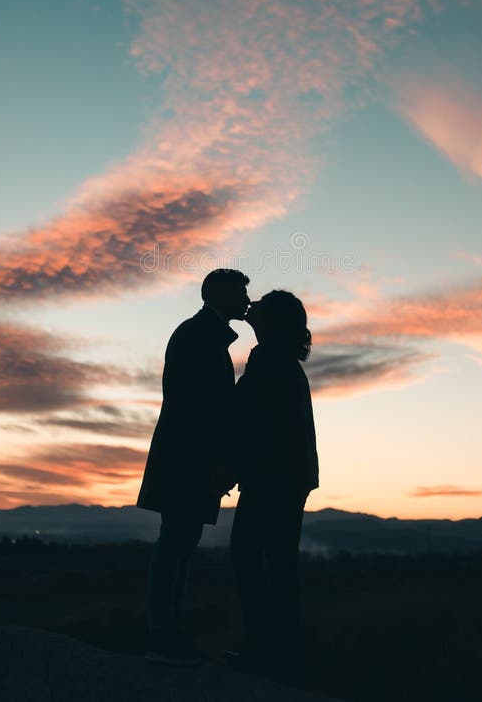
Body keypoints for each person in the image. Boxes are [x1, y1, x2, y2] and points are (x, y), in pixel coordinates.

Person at [136, 268, 250, 665]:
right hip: (189, 461)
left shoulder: (204, 335)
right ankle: (161, 637)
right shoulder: (199, 335)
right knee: (175, 544)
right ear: (218, 294)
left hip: (188, 459)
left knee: (180, 544)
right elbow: (199, 408)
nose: (246, 300)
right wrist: (217, 462)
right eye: (240, 293)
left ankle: (167, 634)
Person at [229, 290, 319, 679]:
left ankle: (266, 652)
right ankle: (282, 653)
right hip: (286, 476)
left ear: (273, 321)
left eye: (262, 305)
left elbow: (243, 413)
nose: (254, 306)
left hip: (272, 477)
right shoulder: (280, 359)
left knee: (250, 557)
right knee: (277, 563)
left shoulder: (269, 359)